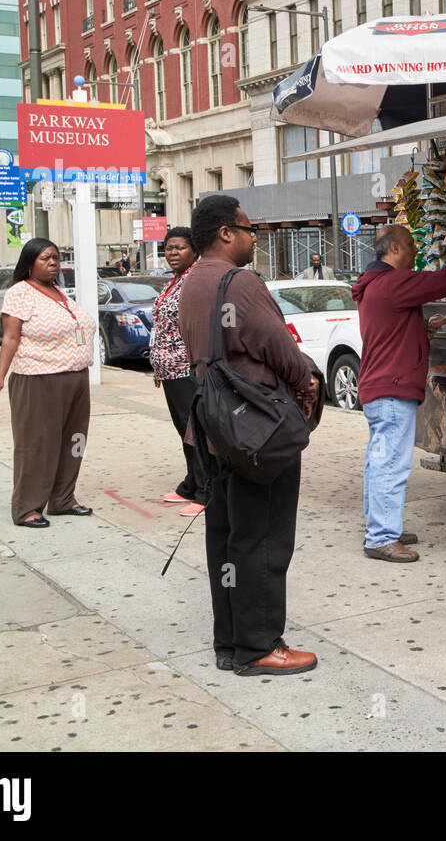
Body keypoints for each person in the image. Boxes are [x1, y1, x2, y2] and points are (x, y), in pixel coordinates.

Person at [178, 195, 323, 676]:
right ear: (224, 233)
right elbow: (278, 347)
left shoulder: (190, 282)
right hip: (256, 433)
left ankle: (231, 640)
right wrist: (307, 380)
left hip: (215, 428)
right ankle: (260, 646)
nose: (253, 235)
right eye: (247, 227)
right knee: (262, 537)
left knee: (225, 537)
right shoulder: (239, 281)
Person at [350, 224, 446, 562]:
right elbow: (439, 282)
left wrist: (423, 332)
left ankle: (380, 525)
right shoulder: (392, 283)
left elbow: (393, 336)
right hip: (391, 389)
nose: (415, 252)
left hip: (380, 385)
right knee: (390, 465)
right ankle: (382, 537)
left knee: (378, 462)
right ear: (393, 249)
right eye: (410, 245)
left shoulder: (375, 286)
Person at [0, 238, 98, 529]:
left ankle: (62, 499)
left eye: (56, 258)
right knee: (37, 444)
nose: (53, 263)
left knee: (74, 440)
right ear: (30, 262)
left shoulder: (58, 292)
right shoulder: (20, 293)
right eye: (45, 258)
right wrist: (0, 375)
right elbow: (10, 338)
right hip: (38, 378)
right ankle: (27, 508)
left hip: (75, 377)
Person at [149, 226, 205, 518]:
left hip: (188, 369)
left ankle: (206, 491)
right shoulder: (174, 281)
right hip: (169, 369)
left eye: (179, 247)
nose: (172, 253)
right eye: (168, 248)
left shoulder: (194, 280)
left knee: (195, 431)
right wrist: (159, 365)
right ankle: (191, 484)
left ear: (194, 250)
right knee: (183, 429)